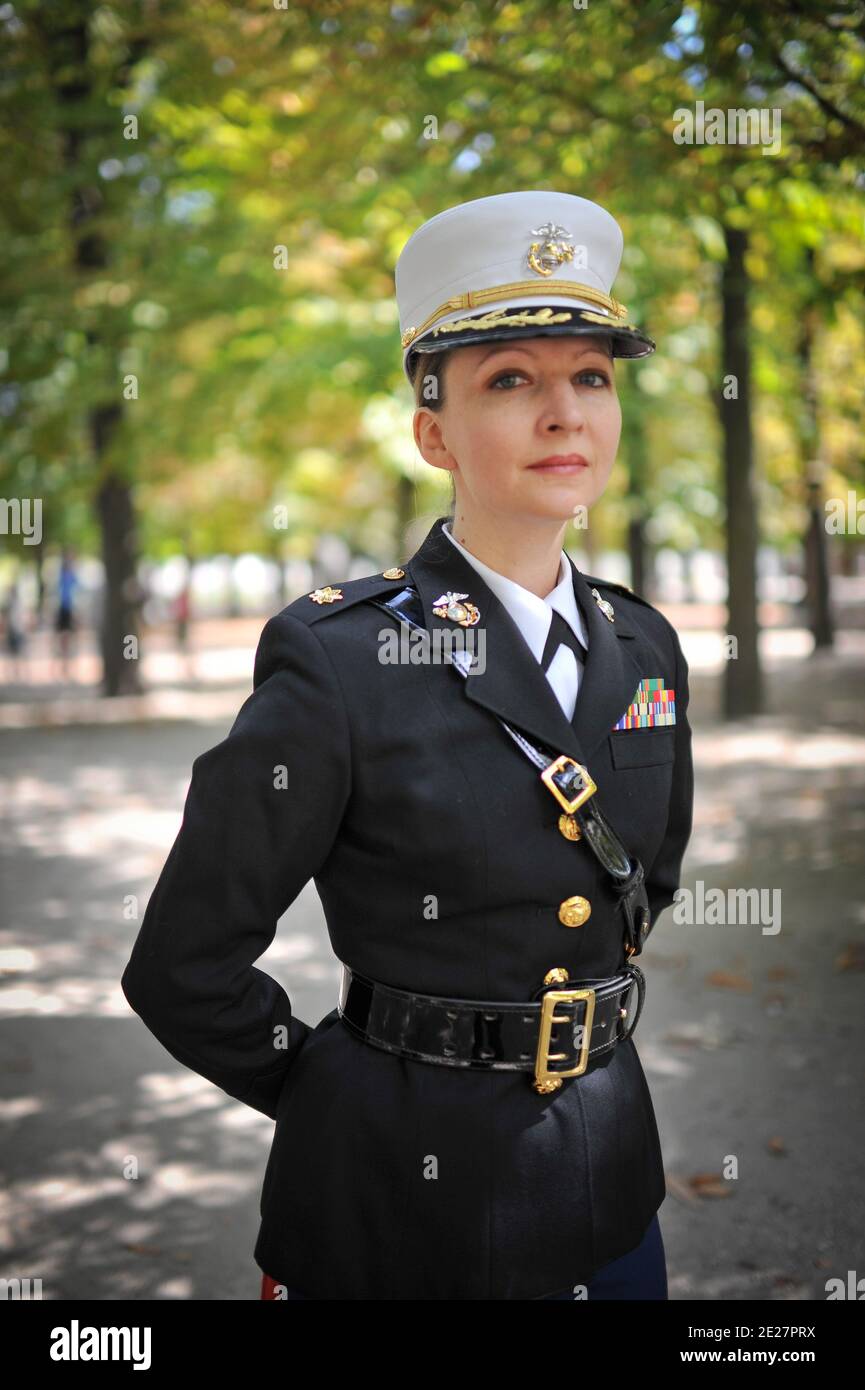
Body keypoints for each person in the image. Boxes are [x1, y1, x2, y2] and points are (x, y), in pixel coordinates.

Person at [121, 190, 694, 1301]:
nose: (565, 414)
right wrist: (337, 1095)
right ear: (432, 430)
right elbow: (181, 965)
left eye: (591, 376)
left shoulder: (645, 643)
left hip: (612, 1185)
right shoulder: (337, 658)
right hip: (402, 1215)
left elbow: (642, 881)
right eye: (510, 381)